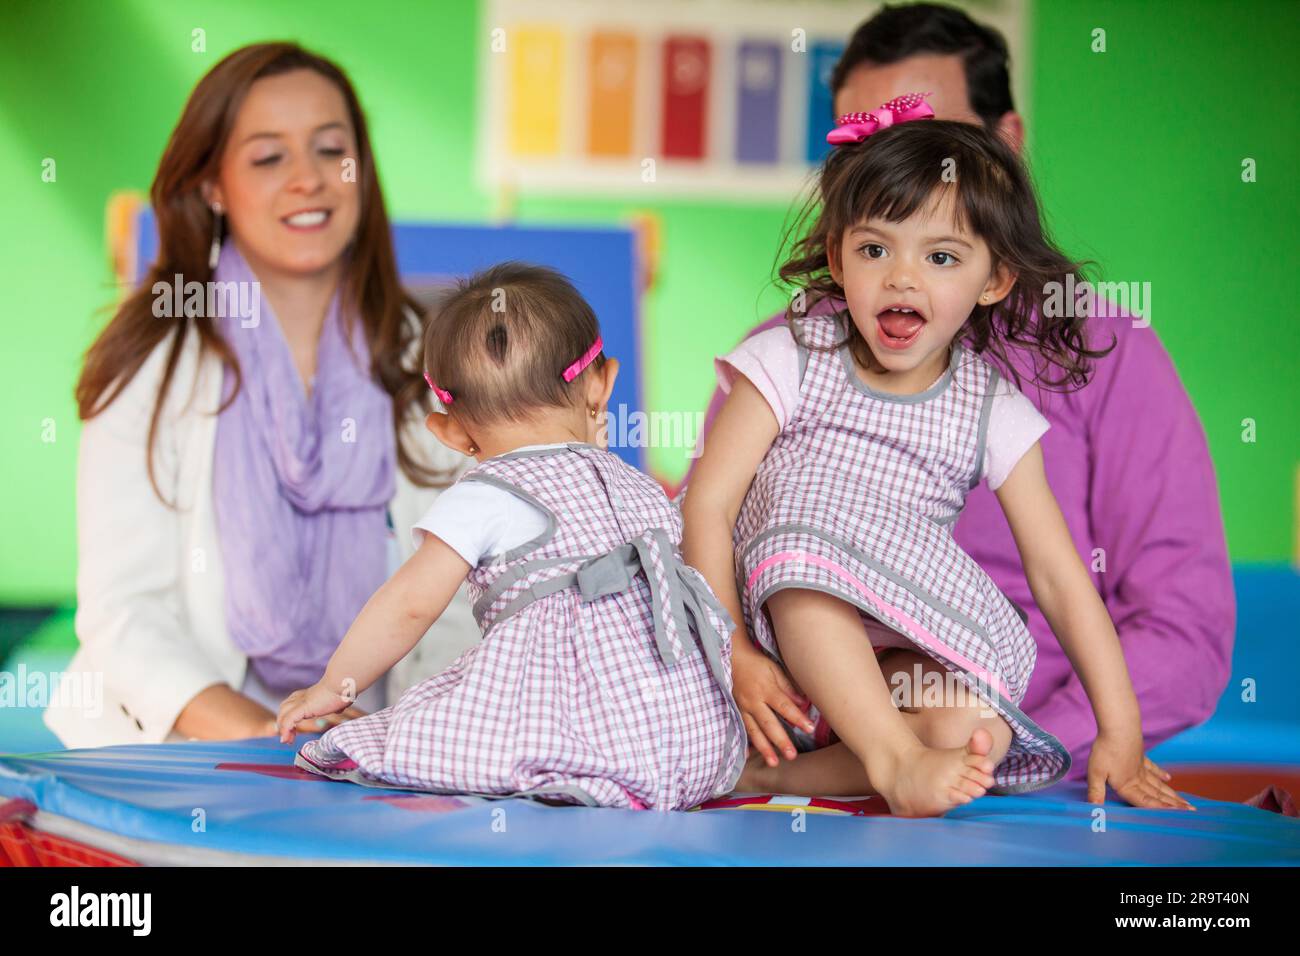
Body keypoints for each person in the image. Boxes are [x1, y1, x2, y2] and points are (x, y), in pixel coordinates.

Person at [688, 2, 1234, 787]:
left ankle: (886, 759)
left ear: (1000, 152)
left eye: (930, 152)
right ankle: (819, 763)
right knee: (789, 553)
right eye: (874, 162)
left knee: (971, 729)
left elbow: (1174, 627)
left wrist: (1046, 742)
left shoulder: (1097, 356)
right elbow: (710, 523)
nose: (902, 187)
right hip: (796, 681)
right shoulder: (790, 351)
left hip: (978, 710)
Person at [44, 42, 479, 748]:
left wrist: (392, 741)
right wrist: (271, 739)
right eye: (269, 157)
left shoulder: (437, 356)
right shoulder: (150, 360)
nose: (307, 179)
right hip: (192, 748)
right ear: (213, 184)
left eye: (330, 151)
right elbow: (124, 612)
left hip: (387, 748)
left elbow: (470, 596)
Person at [279, 264, 745, 811]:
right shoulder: (635, 486)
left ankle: (578, 777)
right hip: (690, 740)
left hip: (584, 731)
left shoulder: (486, 494)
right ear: (602, 382)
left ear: (450, 430)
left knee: (425, 729)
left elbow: (408, 605)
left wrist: (335, 686)